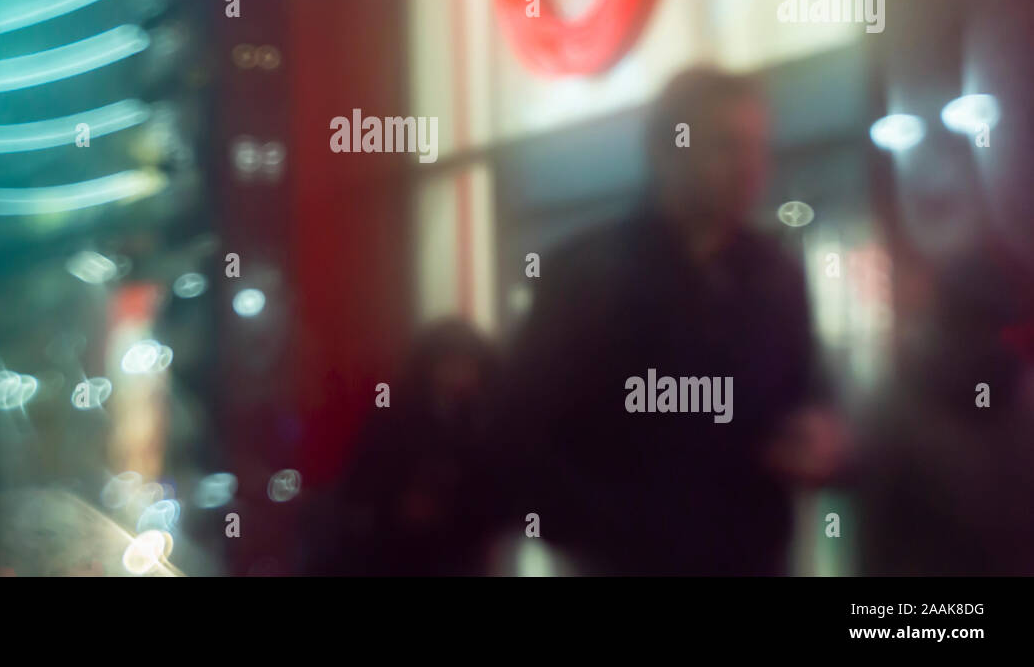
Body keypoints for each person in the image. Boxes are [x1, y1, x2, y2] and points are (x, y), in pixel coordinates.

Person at [498, 66, 846, 575]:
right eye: (726, 146)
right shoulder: (585, 278)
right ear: (664, 153)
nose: (750, 166)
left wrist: (824, 431)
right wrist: (620, 534)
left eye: (758, 147)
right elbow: (518, 446)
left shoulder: (778, 275)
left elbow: (808, 386)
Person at [320, 319, 501, 575]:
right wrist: (399, 503)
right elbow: (363, 483)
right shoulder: (394, 414)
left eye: (469, 364)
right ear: (430, 365)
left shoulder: (482, 416)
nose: (461, 374)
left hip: (462, 549)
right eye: (451, 363)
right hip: (399, 551)